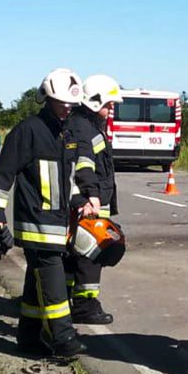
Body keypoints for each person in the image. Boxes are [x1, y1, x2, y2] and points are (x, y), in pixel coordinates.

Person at [0, 69, 86, 359]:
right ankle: (63, 337)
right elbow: (3, 173)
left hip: (56, 221)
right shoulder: (28, 130)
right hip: (36, 222)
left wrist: (78, 198)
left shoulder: (65, 132)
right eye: (62, 102)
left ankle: (29, 338)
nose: (68, 107)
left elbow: (64, 179)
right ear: (47, 98)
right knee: (52, 276)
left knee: (35, 283)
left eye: (71, 103)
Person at [64, 73, 124, 325]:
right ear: (95, 102)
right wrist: (91, 196)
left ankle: (67, 299)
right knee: (90, 255)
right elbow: (84, 167)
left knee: (75, 254)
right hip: (89, 204)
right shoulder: (82, 128)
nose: (112, 109)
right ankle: (85, 305)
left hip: (93, 200)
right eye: (109, 104)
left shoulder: (87, 125)